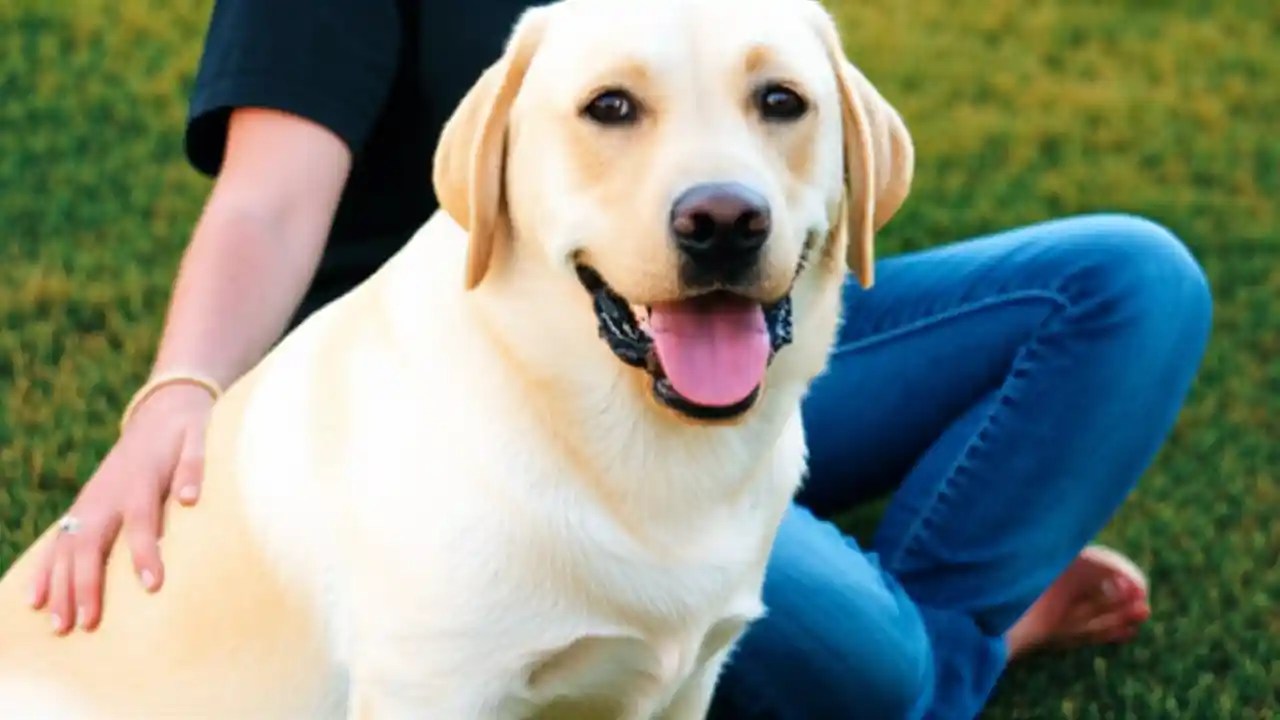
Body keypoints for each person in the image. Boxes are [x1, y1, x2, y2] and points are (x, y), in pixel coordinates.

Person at [26, 0, 1212, 717]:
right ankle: (942, 641)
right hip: (480, 413)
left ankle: (928, 628)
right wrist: (176, 395)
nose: (721, 195)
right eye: (609, 111)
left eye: (779, 107)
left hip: (737, 352)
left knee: (1128, 286)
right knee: (866, 674)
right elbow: (268, 205)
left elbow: (771, 149)